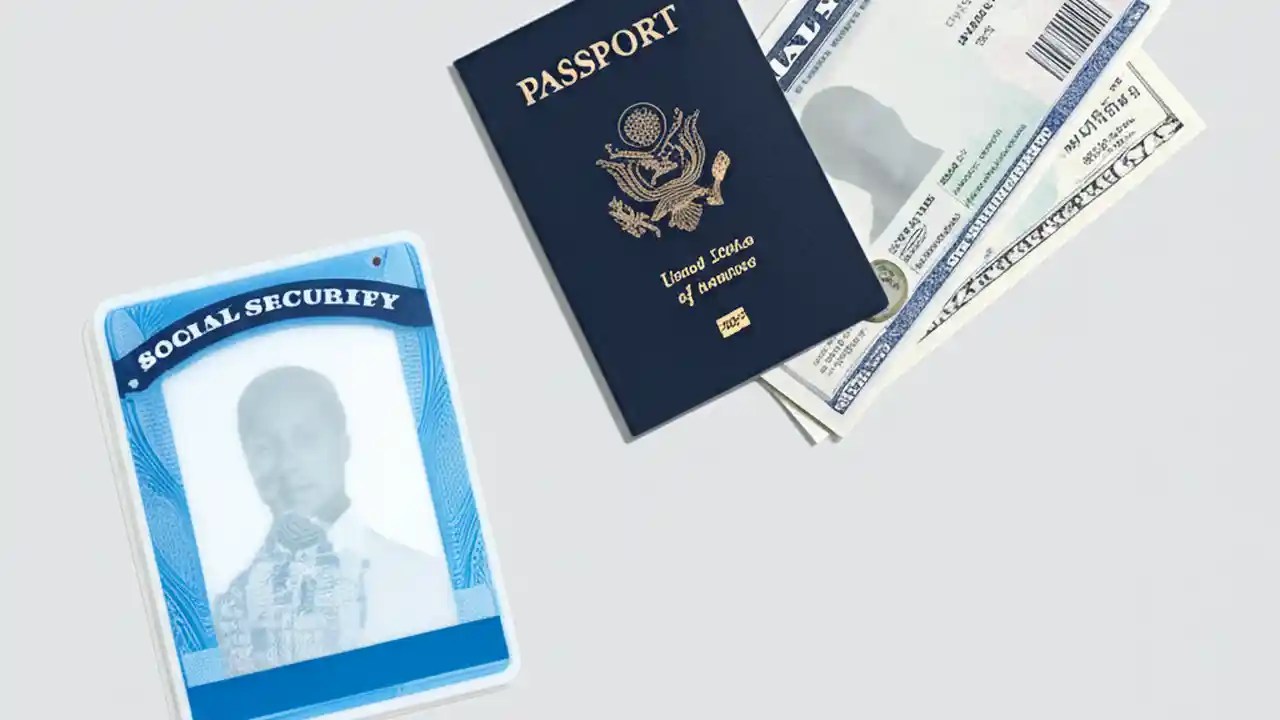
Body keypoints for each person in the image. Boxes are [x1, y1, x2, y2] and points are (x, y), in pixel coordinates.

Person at [213, 366, 457, 676]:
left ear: (343, 445)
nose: (287, 464)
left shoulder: (426, 583)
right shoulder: (230, 613)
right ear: (247, 460)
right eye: (264, 448)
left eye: (306, 439)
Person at [801, 85, 943, 241]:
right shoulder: (883, 248)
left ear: (892, 115)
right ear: (835, 172)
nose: (874, 154)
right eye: (854, 155)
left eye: (871, 131)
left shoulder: (966, 137)